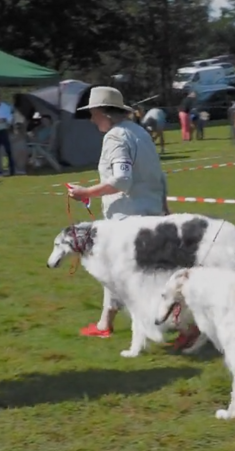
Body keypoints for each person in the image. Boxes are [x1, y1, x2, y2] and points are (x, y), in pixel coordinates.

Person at [67, 87, 198, 348]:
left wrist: (85, 192)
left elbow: (121, 180)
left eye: (93, 114)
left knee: (147, 279)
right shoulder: (140, 132)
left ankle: (189, 326)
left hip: (128, 220)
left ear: (105, 113)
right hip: (150, 214)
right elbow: (159, 176)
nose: (92, 120)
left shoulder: (115, 138)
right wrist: (164, 208)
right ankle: (106, 322)